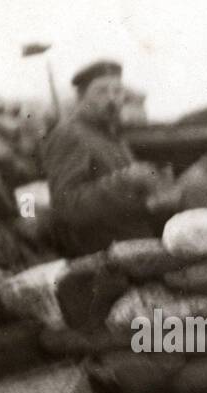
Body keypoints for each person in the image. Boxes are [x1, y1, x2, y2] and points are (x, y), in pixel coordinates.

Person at [43, 60, 163, 255]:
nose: (111, 98)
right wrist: (125, 181)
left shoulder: (109, 133)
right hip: (101, 257)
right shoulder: (70, 134)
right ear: (81, 97)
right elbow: (66, 206)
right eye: (101, 91)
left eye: (117, 91)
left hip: (127, 246)